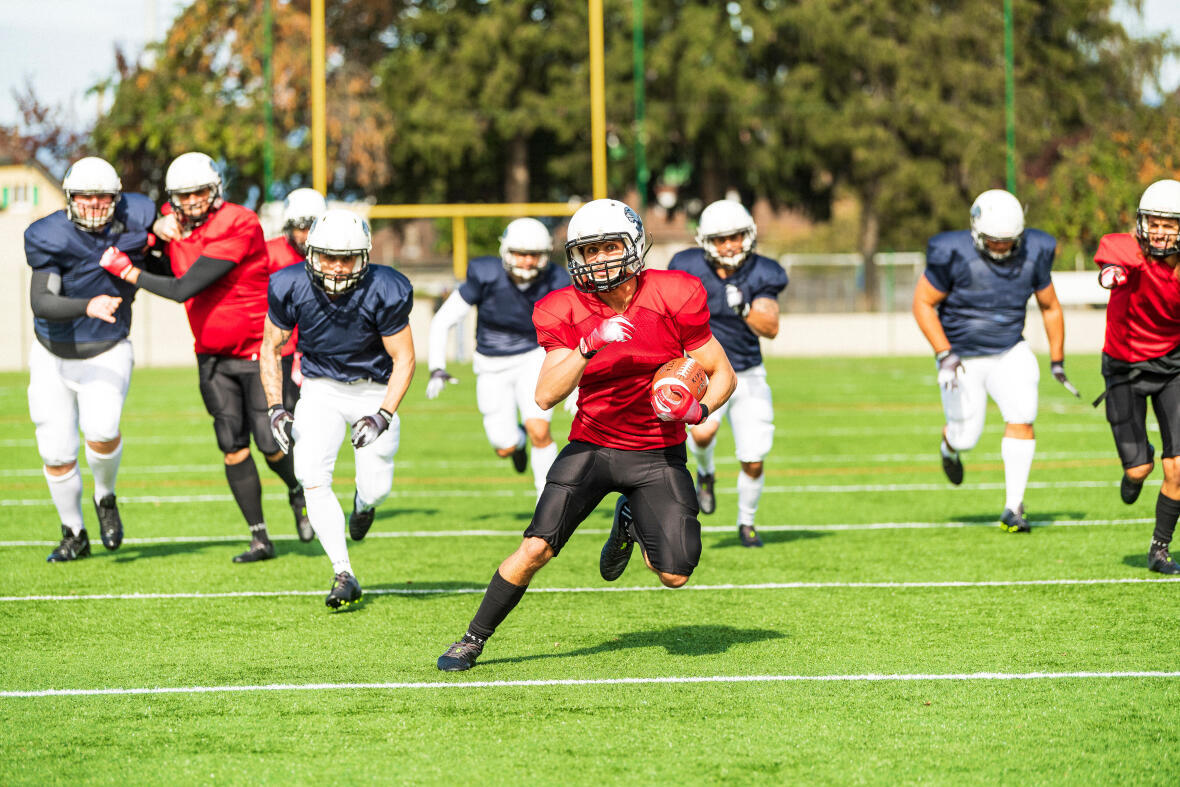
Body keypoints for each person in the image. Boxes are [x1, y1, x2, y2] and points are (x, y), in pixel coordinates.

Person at [436, 198, 737, 671]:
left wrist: (697, 411)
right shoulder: (563, 308)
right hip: (593, 446)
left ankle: (630, 523)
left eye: (609, 247)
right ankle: (472, 639)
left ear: (634, 245)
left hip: (657, 450)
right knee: (535, 547)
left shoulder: (676, 294)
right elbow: (545, 395)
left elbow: (724, 373)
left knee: (675, 575)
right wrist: (588, 344)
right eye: (588, 251)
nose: (598, 260)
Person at [99, 151, 311, 559]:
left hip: (257, 350)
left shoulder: (240, 223)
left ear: (215, 190)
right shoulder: (175, 222)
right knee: (232, 445)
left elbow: (183, 288)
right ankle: (260, 536)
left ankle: (298, 490)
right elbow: (165, 265)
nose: (192, 201)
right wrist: (156, 238)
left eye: (199, 192)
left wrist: (128, 271)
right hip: (211, 353)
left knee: (270, 442)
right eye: (184, 194)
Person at [260, 209, 416, 609]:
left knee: (376, 486)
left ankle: (364, 507)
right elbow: (271, 347)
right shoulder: (289, 283)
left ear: (364, 256)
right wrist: (276, 408)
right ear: (311, 252)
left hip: (374, 389)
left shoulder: (386, 287)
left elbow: (405, 358)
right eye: (328, 255)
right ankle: (343, 571)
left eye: (346, 257)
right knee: (310, 473)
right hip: (321, 388)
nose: (337, 266)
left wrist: (383, 413)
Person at [912, 188, 1077, 534]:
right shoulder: (952, 253)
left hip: (1008, 349)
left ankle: (1013, 508)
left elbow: (1050, 306)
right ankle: (950, 445)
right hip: (960, 355)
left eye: (1008, 241)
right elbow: (922, 303)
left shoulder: (1035, 251)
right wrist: (944, 352)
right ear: (975, 231)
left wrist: (1057, 360)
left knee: (1023, 415)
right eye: (994, 240)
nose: (1001, 247)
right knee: (966, 436)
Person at [24, 157, 154, 562]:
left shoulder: (138, 216)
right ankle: (74, 533)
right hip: (52, 352)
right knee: (56, 451)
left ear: (116, 198)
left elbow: (166, 221)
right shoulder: (50, 236)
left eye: (103, 197)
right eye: (85, 197)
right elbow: (42, 300)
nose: (95, 205)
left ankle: (105, 496)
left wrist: (165, 230)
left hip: (108, 347)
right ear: (69, 198)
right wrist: (86, 305)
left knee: (102, 429)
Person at [668, 200, 787, 547]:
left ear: (747, 235)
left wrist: (745, 308)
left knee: (753, 457)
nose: (729, 245)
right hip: (702, 373)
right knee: (701, 436)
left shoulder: (763, 271)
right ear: (706, 241)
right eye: (721, 239)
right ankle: (705, 472)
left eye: (735, 236)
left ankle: (746, 524)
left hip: (747, 373)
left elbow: (772, 327)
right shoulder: (686, 266)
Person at [425, 217, 571, 497]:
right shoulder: (486, 274)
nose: (527, 261)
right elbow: (443, 320)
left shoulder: (557, 279)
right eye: (520, 253)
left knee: (539, 430)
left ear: (545, 254)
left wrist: (580, 381)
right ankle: (517, 446)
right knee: (503, 444)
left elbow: (576, 327)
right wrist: (436, 367)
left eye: (534, 254)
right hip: (491, 363)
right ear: (505, 251)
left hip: (534, 356)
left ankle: (548, 503)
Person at [1092, 179, 1180, 574]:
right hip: (1125, 367)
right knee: (1139, 469)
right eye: (1155, 223)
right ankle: (1132, 476)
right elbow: (1111, 268)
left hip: (1172, 366)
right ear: (1143, 223)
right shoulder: (1125, 249)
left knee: (1178, 467)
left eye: (1170, 225)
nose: (1161, 232)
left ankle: (1159, 549)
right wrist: (1112, 274)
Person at [266, 187, 327, 417]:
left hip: (322, 346)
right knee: (287, 411)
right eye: (299, 227)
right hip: (285, 347)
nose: (305, 234)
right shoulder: (271, 252)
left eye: (311, 225)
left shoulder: (335, 255)